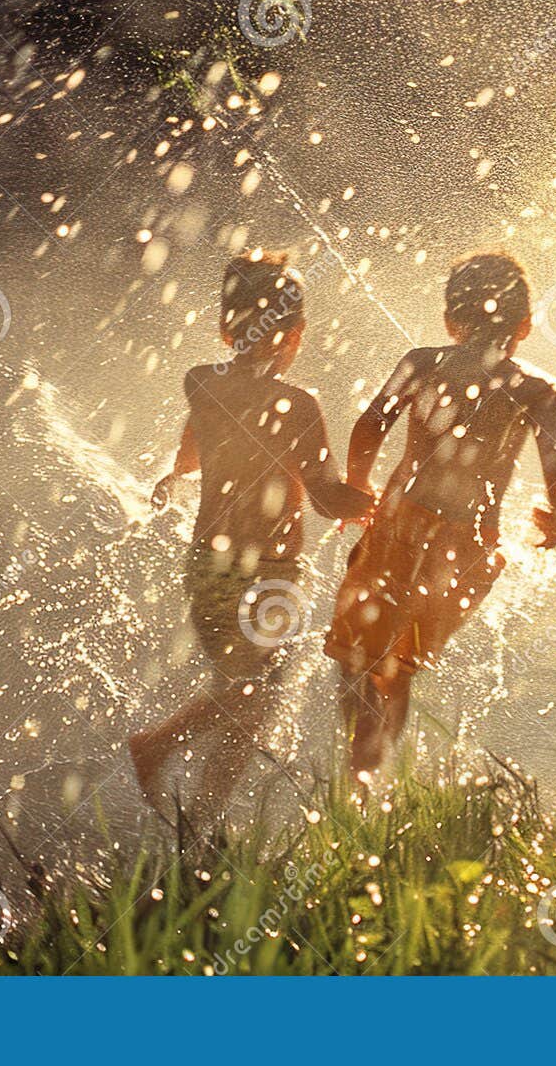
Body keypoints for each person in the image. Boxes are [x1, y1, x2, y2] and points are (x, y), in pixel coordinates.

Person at [129, 250, 373, 819]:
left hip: (208, 567)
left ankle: (203, 826)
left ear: (222, 327)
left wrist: (170, 479)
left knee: (248, 701)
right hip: (272, 574)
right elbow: (324, 495)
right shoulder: (300, 404)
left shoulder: (202, 384)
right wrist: (381, 506)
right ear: (298, 334)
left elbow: (189, 457)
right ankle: (156, 746)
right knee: (251, 694)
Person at [324, 251, 556, 785]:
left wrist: (359, 484)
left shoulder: (422, 363)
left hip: (400, 522)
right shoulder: (535, 388)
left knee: (360, 656)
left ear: (449, 320)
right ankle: (371, 771)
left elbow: (370, 427)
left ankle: (358, 768)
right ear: (526, 326)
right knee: (401, 665)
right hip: (468, 543)